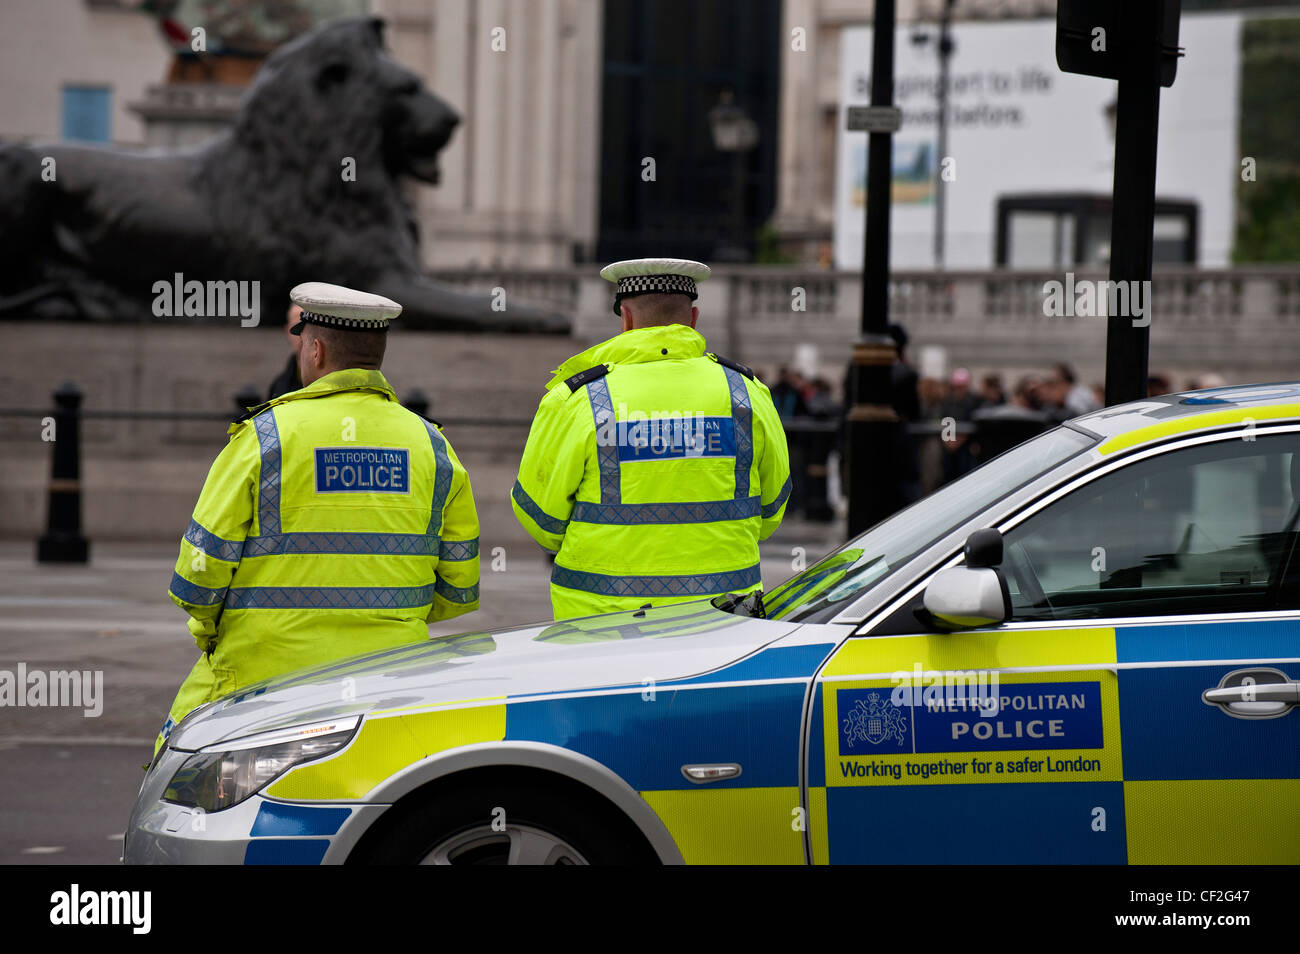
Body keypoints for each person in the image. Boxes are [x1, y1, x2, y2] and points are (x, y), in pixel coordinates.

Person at [156, 282, 479, 753]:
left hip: (263, 686)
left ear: (316, 349)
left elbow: (197, 577)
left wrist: (213, 631)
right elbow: (458, 589)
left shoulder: (264, 438)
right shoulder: (433, 446)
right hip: (390, 684)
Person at [511, 258, 791, 620]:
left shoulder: (579, 398)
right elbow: (771, 511)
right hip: (724, 620)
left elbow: (541, 520)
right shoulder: (745, 392)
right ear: (693, 319)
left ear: (625, 319)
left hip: (600, 623)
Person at [266, 302, 304, 399]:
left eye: (306, 327)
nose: (303, 335)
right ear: (288, 331)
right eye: (297, 327)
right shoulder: (278, 386)